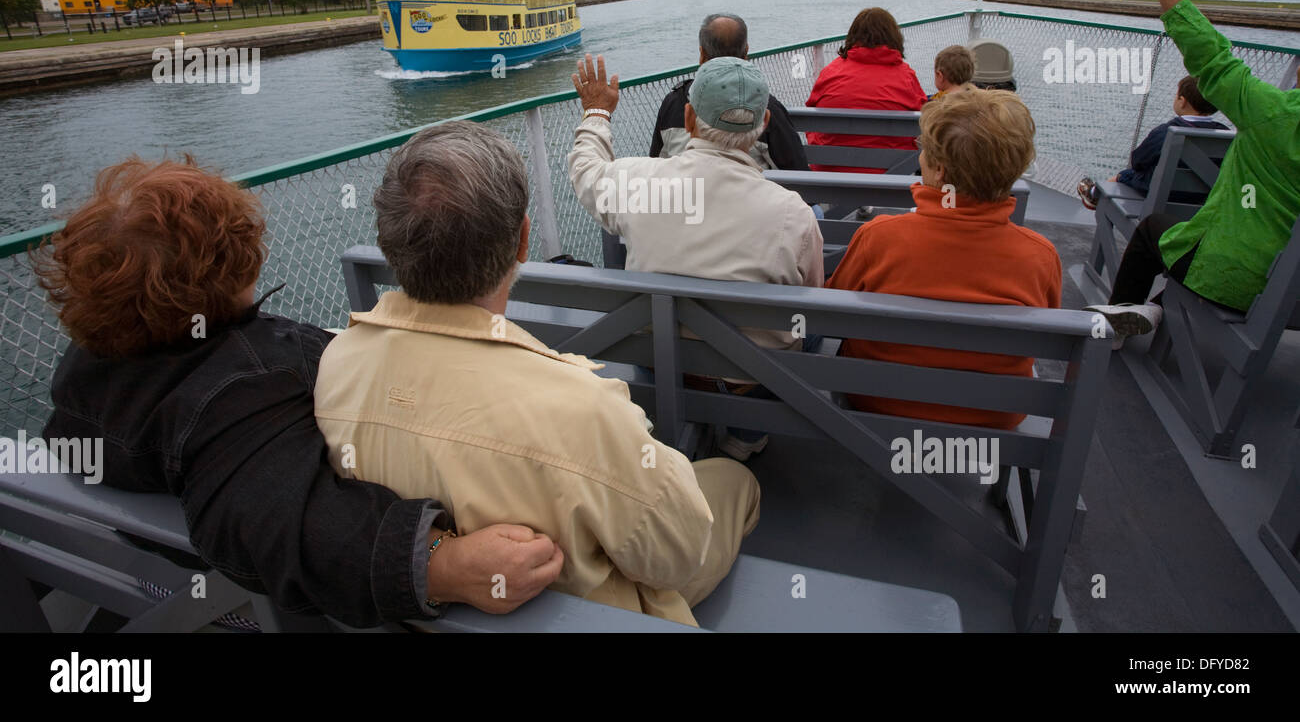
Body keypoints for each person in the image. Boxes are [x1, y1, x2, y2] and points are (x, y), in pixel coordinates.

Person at [34, 156, 564, 628]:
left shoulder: (83, 376)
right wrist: (442, 564)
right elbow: (285, 523)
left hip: (155, 585)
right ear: (233, 266)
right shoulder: (241, 391)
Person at [313, 122, 759, 627]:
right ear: (524, 239)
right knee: (735, 482)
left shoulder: (336, 364)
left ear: (391, 244)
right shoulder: (584, 410)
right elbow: (679, 556)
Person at [570, 53, 824, 461]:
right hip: (749, 379)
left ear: (688, 119)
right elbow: (811, 301)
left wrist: (597, 112)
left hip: (661, 364)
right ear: (764, 126)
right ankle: (745, 431)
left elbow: (585, 169)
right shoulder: (793, 215)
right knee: (810, 330)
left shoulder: (638, 182)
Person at [1087, 0, 1300, 338]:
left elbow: (1211, 57)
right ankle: (1157, 308)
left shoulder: (1274, 113)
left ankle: (1116, 327)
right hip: (1294, 296)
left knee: (1154, 232)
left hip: (1241, 279)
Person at [827, 88, 1060, 428]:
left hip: (880, 398)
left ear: (940, 172)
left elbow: (836, 309)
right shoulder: (1040, 256)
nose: (919, 158)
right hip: (994, 413)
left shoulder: (879, 237)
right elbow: (1045, 338)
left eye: (925, 152)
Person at [648, 13, 810, 171]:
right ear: (745, 52)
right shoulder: (765, 105)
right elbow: (797, 172)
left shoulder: (674, 102)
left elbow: (657, 163)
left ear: (702, 54)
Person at [1077, 75, 1229, 209]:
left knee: (1125, 175)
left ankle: (1093, 194)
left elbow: (1138, 160)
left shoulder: (1167, 132)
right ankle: (1094, 192)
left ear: (1182, 101)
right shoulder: (1225, 135)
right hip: (1202, 201)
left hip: (1159, 195)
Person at [805, 7, 926, 172]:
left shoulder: (830, 72)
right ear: (894, 37)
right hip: (893, 173)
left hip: (832, 174)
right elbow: (923, 120)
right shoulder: (906, 76)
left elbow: (811, 118)